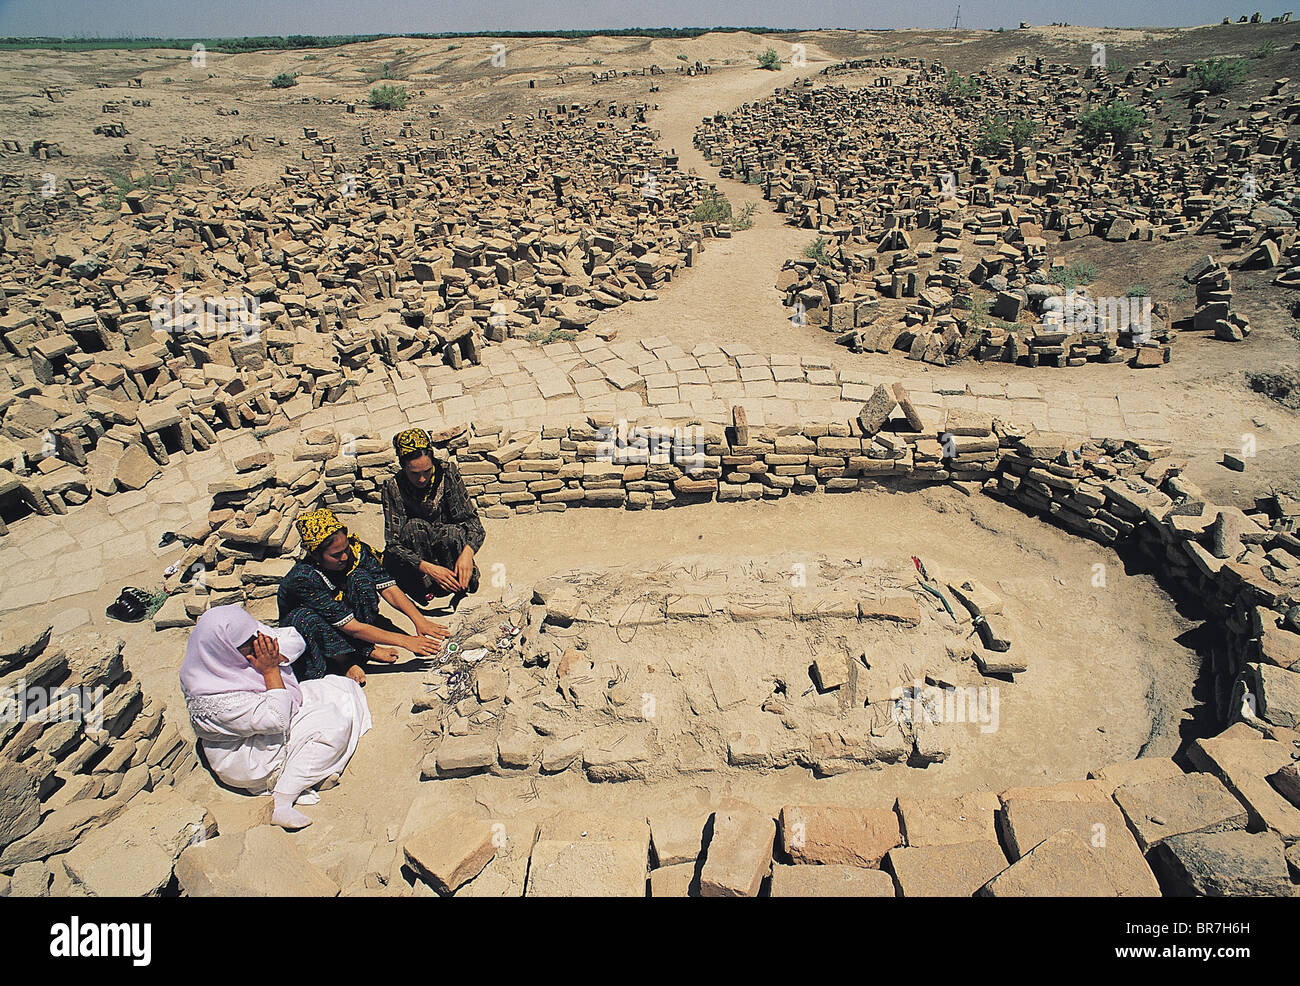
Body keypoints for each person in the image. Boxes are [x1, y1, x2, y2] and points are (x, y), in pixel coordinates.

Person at [179, 605, 371, 830]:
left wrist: (276, 656)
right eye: (248, 645)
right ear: (224, 649)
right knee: (331, 726)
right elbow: (276, 720)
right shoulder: (210, 697)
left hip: (271, 710)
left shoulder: (243, 640)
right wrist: (270, 671)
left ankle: (309, 775)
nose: (257, 644)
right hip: (249, 755)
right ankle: (282, 801)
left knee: (339, 688)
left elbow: (291, 638)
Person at [278, 507, 449, 685]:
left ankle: (364, 646)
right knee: (306, 618)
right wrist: (406, 641)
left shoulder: (356, 551)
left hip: (345, 617)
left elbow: (388, 587)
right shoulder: (304, 578)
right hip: (315, 624)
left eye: (345, 549)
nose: (344, 557)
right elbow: (350, 627)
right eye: (335, 555)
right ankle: (345, 660)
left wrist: (419, 620)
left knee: (361, 579)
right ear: (315, 554)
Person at [381, 428, 485, 607]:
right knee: (415, 527)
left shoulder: (447, 473)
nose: (421, 479)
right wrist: (428, 568)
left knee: (451, 532)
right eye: (414, 473)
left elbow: (473, 523)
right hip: (418, 552)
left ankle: (458, 583)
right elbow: (393, 544)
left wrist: (467, 553)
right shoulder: (393, 487)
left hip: (447, 543)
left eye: (426, 471)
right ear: (402, 466)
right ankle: (425, 587)